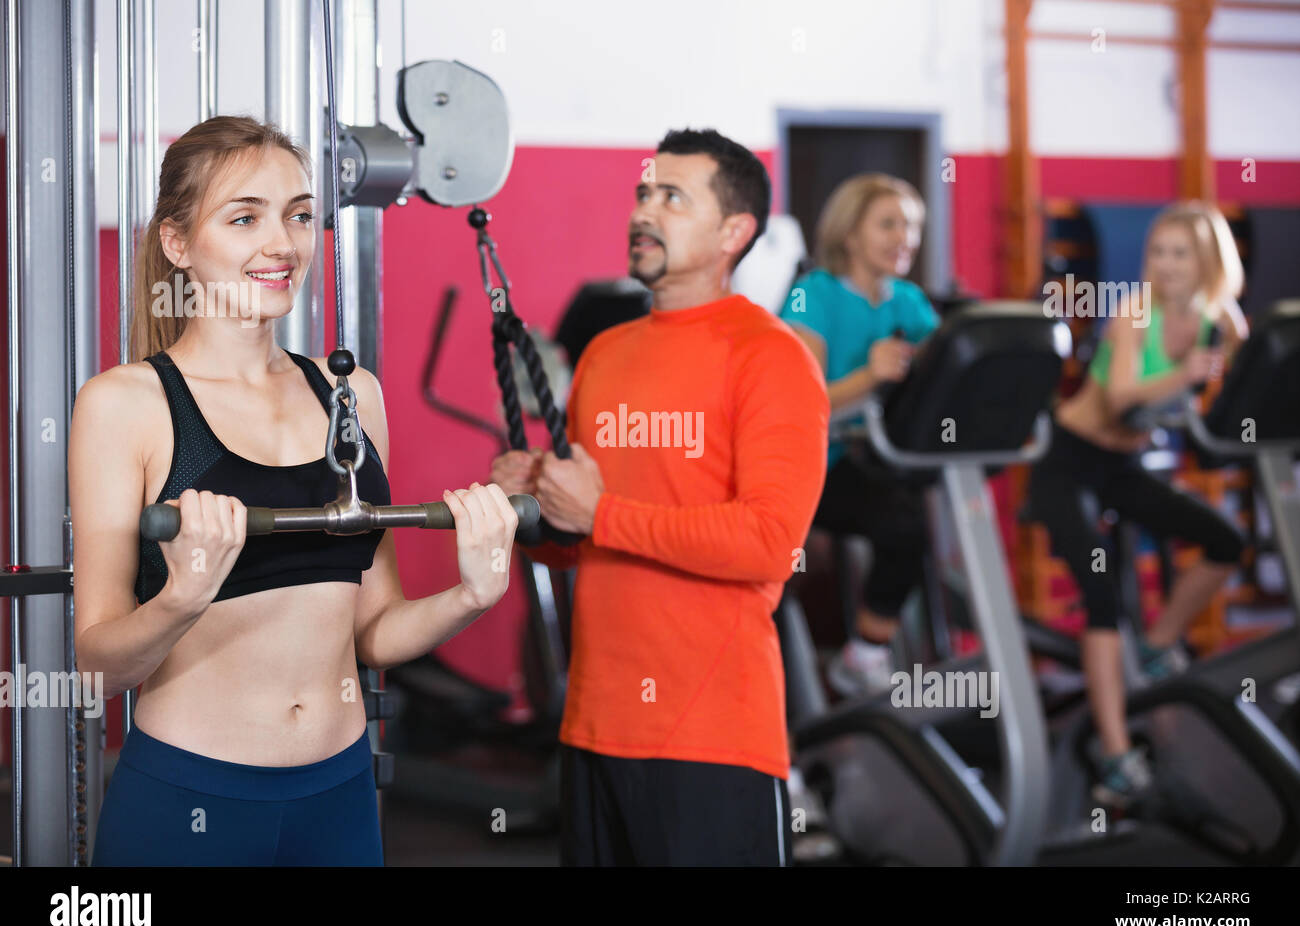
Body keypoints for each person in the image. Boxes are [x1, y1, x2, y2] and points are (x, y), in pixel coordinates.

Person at [71, 115, 519, 866]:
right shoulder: (126, 404)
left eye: (300, 216)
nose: (282, 244)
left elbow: (372, 630)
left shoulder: (351, 395)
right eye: (245, 218)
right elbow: (95, 666)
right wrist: (183, 595)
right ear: (178, 244)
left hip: (339, 799)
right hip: (191, 802)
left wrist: (471, 595)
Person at [490, 128, 829, 866]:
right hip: (594, 728)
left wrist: (601, 513)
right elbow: (577, 547)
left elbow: (770, 541)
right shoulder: (607, 354)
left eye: (673, 197)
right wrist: (529, 508)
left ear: (734, 231)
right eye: (644, 193)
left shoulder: (772, 359)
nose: (645, 211)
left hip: (714, 737)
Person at [1027, 200, 1250, 809]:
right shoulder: (1134, 313)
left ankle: (1158, 643)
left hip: (1126, 466)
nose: (1168, 264)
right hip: (1070, 461)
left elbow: (1240, 367)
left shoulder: (1219, 319)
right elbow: (1123, 393)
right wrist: (1187, 374)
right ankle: (1117, 752)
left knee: (1226, 541)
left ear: (1208, 261)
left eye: (1182, 253)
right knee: (1101, 598)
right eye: (1159, 252)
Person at [779, 174, 940, 697]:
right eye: (889, 224)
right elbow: (802, 405)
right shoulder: (812, 296)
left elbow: (948, 361)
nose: (905, 238)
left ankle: (864, 657)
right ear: (851, 233)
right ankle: (785, 701)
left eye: (912, 226)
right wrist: (871, 374)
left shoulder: (907, 301)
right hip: (796, 462)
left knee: (907, 527)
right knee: (779, 576)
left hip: (854, 457)